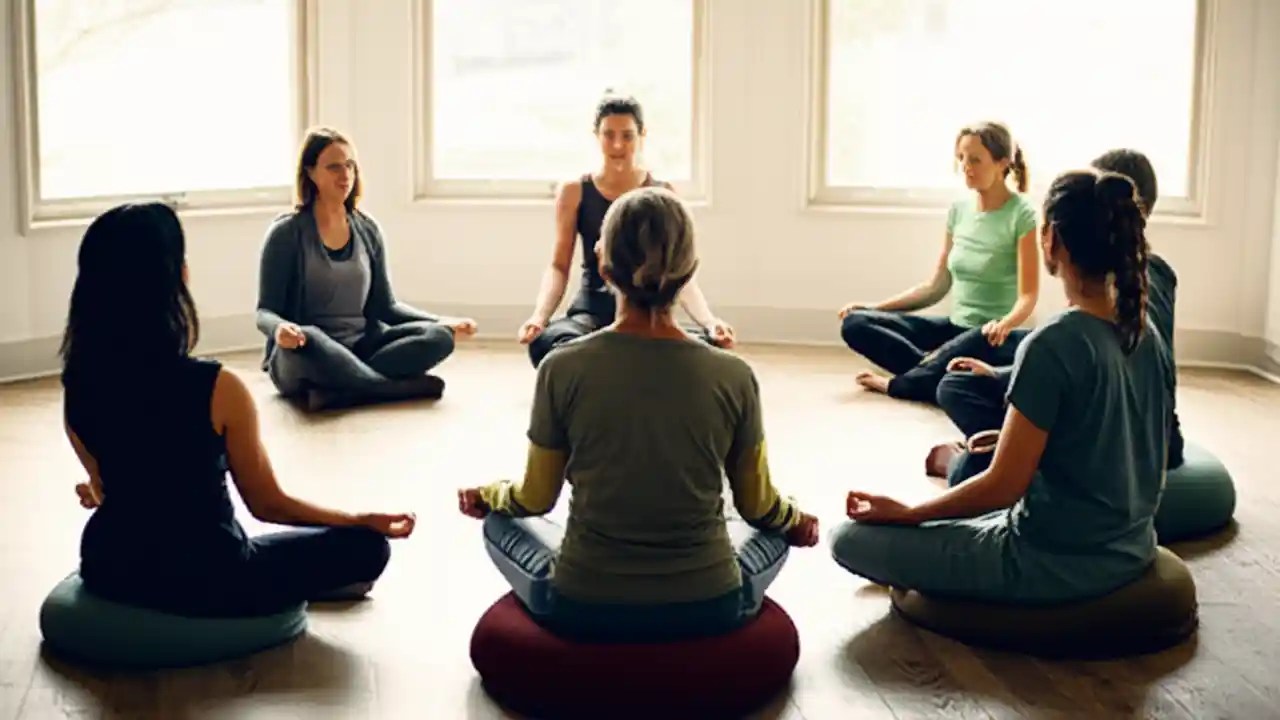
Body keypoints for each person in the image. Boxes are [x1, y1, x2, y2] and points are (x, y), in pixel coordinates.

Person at [460, 187, 819, 641]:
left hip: (582, 600)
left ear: (602, 264)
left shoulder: (560, 367)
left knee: (499, 520)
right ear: (690, 269)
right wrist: (796, 520)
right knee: (773, 526)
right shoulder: (734, 375)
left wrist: (489, 495)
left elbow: (534, 499)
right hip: (712, 603)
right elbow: (758, 504)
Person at [830, 168, 1175, 605]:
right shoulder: (1145, 332)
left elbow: (1002, 487)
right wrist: (1020, 440)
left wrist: (909, 514)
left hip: (1046, 562)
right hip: (1131, 549)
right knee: (961, 506)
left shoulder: (1054, 342)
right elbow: (1143, 453)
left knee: (848, 539)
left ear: (1050, 240)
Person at [60, 202, 416, 618]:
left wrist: (114, 491)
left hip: (110, 566)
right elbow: (268, 504)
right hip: (211, 575)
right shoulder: (218, 388)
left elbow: (107, 488)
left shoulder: (77, 387)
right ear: (174, 277)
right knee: (366, 548)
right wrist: (357, 519)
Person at [929, 148, 1184, 483]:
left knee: (973, 464)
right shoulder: (1124, 282)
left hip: (1123, 441)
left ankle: (964, 459)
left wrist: (909, 514)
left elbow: (1095, 374)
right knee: (964, 377)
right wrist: (1000, 374)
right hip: (1120, 426)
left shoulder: (1123, 291)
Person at [256, 127, 476, 411]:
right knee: (310, 336)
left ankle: (343, 390)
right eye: (334, 167)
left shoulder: (367, 229)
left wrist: (440, 321)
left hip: (362, 348)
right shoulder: (286, 233)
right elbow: (264, 312)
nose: (345, 174)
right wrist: (280, 330)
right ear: (310, 172)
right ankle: (391, 389)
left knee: (438, 338)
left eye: (349, 165)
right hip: (304, 353)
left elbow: (386, 307)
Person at [518, 93, 735, 368]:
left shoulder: (663, 192)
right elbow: (558, 266)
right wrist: (539, 317)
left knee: (712, 350)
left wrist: (708, 321)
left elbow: (678, 269)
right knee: (547, 346)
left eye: (628, 136)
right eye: (609, 135)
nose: (618, 144)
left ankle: (614, 368)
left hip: (648, 313)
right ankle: (637, 367)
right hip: (593, 313)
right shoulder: (574, 191)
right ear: (596, 135)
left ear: (642, 135)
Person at [838, 122, 1039, 403]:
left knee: (971, 341)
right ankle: (936, 371)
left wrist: (1004, 324)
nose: (966, 167)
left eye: (975, 160)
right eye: (962, 159)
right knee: (855, 323)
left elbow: (1028, 296)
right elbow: (935, 286)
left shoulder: (1022, 214)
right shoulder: (959, 210)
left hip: (991, 338)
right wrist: (873, 308)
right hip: (953, 328)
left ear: (1002, 162)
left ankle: (905, 383)